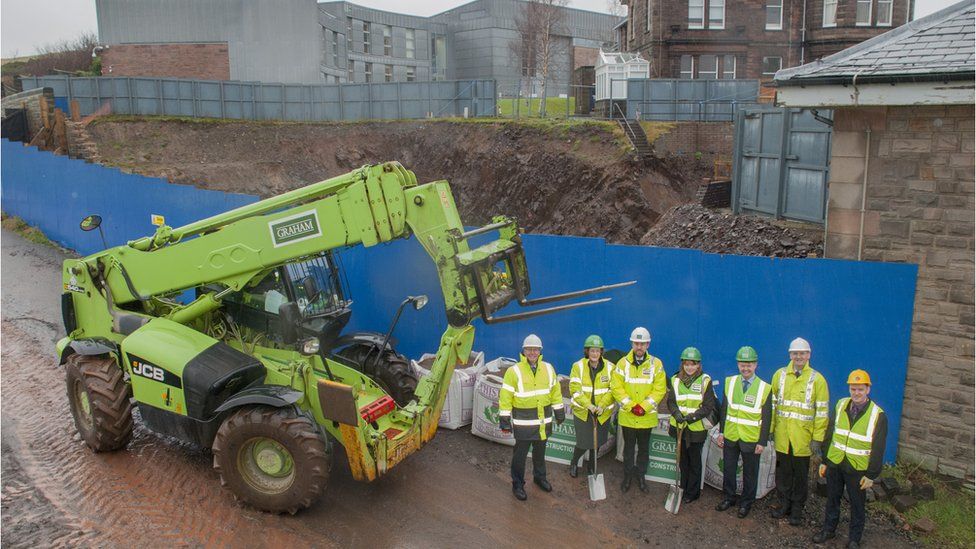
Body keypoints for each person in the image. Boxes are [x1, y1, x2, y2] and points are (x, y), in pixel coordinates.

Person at [813, 370, 887, 549]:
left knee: (857, 504)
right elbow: (830, 433)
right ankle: (829, 530)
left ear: (868, 389)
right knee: (832, 499)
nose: (856, 393)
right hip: (836, 462)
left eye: (860, 389)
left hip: (857, 467)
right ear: (849, 389)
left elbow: (878, 448)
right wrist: (824, 460)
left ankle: (854, 538)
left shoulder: (878, 415)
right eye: (853, 389)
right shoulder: (840, 405)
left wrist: (871, 474)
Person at [770, 337, 829, 526]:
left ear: (809, 355)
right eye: (795, 353)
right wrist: (770, 431)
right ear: (790, 355)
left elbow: (822, 412)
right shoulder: (779, 375)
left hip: (803, 438)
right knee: (784, 474)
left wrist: (817, 439)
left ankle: (797, 509)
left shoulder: (817, 379)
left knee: (801, 477)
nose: (799, 356)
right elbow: (772, 406)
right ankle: (784, 504)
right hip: (782, 436)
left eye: (802, 353)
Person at [498, 334, 565, 501]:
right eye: (529, 349)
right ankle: (518, 483)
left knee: (540, 453)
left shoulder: (548, 368)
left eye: (536, 349)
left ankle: (539, 477)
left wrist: (559, 412)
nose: (533, 352)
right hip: (523, 424)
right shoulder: (514, 371)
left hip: (543, 422)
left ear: (540, 351)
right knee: (519, 456)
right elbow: (505, 398)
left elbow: (555, 392)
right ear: (524, 351)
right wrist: (505, 422)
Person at [716, 346, 772, 518]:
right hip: (731, 435)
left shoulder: (765, 388)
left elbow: (767, 417)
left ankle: (746, 503)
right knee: (729, 470)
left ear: (755, 365)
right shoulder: (730, 382)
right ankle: (729, 497)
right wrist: (721, 432)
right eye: (742, 364)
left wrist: (762, 441)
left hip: (751, 439)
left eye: (749, 364)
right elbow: (724, 409)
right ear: (738, 364)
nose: (745, 368)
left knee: (750, 473)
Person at [611, 326, 666, 493]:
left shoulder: (656, 364)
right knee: (628, 448)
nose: (639, 347)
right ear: (632, 343)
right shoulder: (622, 363)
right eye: (636, 343)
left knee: (643, 449)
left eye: (642, 343)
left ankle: (641, 476)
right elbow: (616, 387)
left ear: (648, 344)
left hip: (646, 417)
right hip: (628, 416)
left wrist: (644, 407)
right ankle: (627, 476)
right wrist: (631, 406)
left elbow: (660, 389)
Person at [665, 347, 717, 504]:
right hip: (679, 427)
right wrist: (677, 414)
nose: (689, 367)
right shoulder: (675, 379)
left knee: (695, 461)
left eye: (693, 364)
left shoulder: (705, 380)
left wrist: (691, 417)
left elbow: (708, 406)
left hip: (696, 429)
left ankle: (692, 492)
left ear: (698, 365)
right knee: (682, 460)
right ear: (682, 364)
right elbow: (671, 402)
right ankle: (682, 487)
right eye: (686, 364)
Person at [568, 335, 616, 478]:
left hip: (602, 413)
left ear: (601, 352)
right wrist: (589, 406)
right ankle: (574, 462)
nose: (594, 354)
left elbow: (612, 390)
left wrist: (601, 406)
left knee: (597, 443)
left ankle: (591, 466)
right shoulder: (578, 366)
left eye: (597, 351)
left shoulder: (610, 367)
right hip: (583, 412)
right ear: (587, 351)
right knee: (583, 443)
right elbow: (575, 390)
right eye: (592, 350)